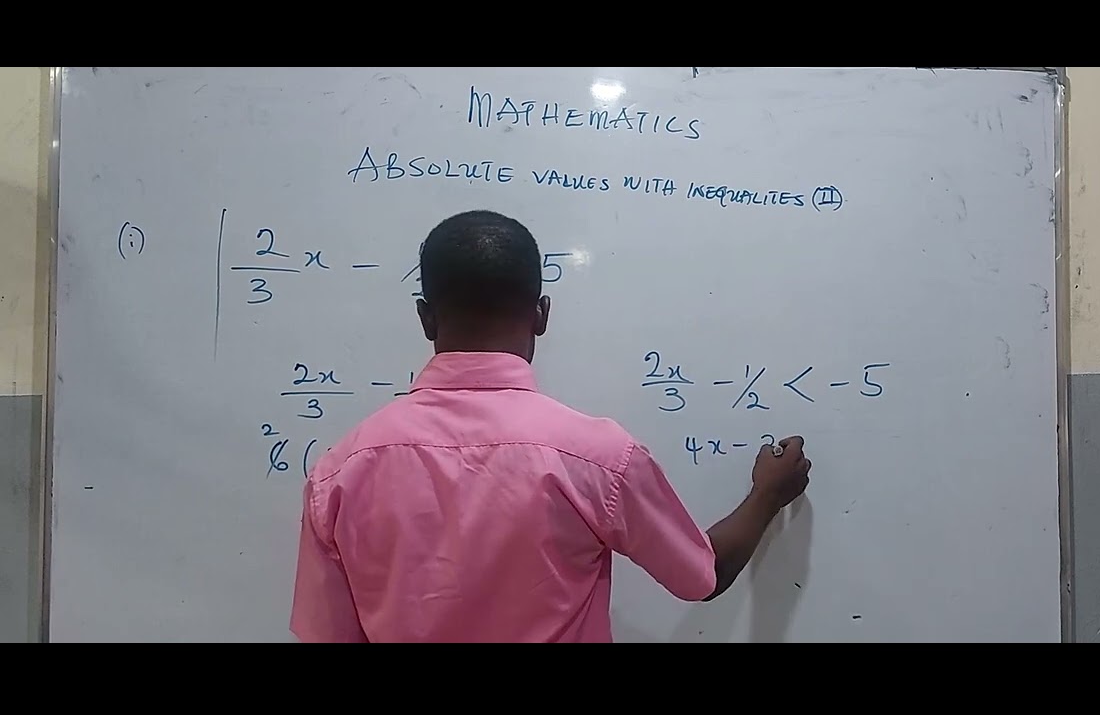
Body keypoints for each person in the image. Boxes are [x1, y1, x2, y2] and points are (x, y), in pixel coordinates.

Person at [289, 209, 812, 643]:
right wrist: (766, 494)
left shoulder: (340, 471)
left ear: (425, 318)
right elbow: (702, 575)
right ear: (541, 314)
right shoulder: (597, 457)